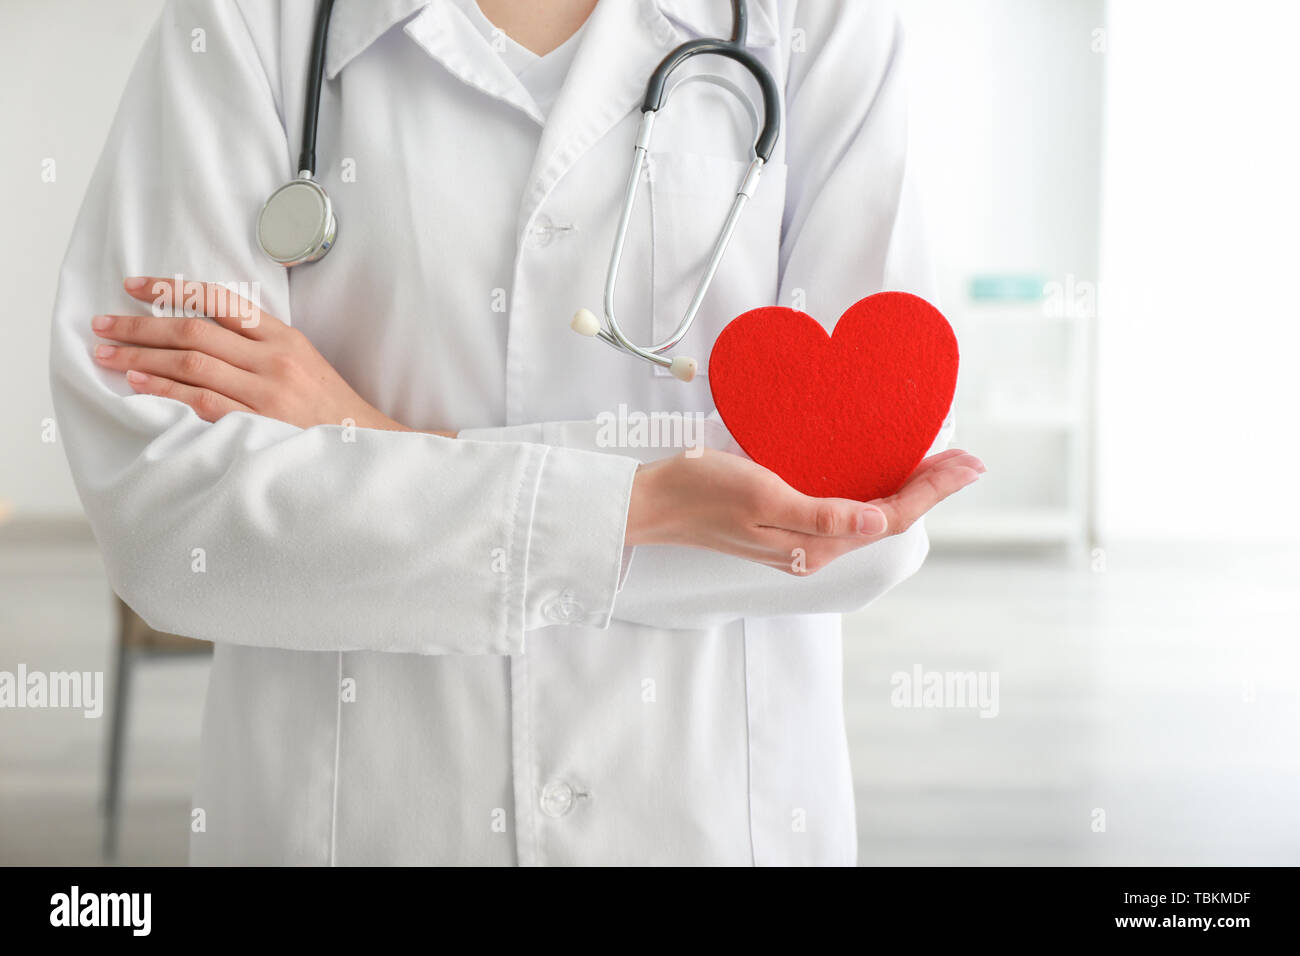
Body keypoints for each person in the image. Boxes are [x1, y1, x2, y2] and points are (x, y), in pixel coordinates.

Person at [50, 0, 983, 865]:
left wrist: (361, 434)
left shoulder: (819, 21)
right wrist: (651, 505)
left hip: (703, 821)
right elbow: (172, 522)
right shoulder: (249, 21)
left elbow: (857, 525)